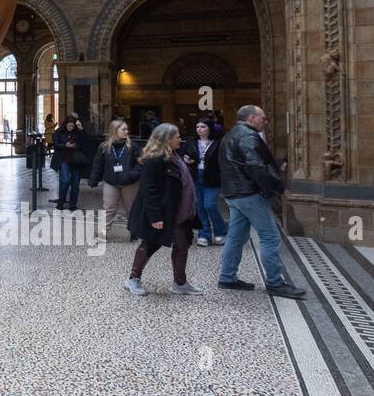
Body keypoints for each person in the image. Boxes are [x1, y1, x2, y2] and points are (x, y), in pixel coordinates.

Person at [217, 106, 305, 299]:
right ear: (251, 118)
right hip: (250, 193)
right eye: (263, 119)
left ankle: (227, 277)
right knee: (270, 237)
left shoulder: (230, 134)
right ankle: (275, 283)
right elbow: (256, 166)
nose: (265, 122)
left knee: (236, 236)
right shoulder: (248, 136)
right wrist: (274, 187)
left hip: (234, 194)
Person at [125, 123, 203, 296]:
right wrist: (155, 217)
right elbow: (149, 189)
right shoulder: (155, 159)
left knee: (182, 245)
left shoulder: (174, 156)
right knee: (150, 243)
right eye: (177, 137)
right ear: (167, 139)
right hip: (161, 212)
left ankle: (180, 283)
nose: (180, 139)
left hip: (177, 211)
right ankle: (133, 279)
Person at [89, 119, 140, 238]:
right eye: (123, 129)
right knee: (108, 208)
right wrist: (94, 179)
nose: (126, 131)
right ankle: (103, 232)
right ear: (115, 130)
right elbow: (98, 164)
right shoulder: (104, 146)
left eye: (127, 129)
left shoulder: (133, 146)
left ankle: (134, 232)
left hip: (129, 183)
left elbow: (140, 164)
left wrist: (132, 174)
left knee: (131, 209)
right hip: (110, 182)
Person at [183, 118, 226, 246]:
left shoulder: (218, 142)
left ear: (210, 128)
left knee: (210, 205)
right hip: (196, 176)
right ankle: (204, 234)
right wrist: (186, 159)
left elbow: (223, 160)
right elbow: (183, 154)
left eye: (203, 127)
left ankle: (220, 231)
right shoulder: (192, 141)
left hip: (212, 177)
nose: (199, 129)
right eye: (197, 127)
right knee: (199, 206)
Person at [52, 115, 83, 211]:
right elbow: (56, 144)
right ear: (65, 125)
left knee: (75, 183)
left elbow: (85, 142)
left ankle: (73, 204)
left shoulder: (78, 132)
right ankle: (61, 201)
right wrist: (65, 145)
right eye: (69, 126)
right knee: (65, 180)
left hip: (76, 160)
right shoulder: (59, 132)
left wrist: (81, 130)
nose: (71, 128)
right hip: (64, 160)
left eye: (72, 126)